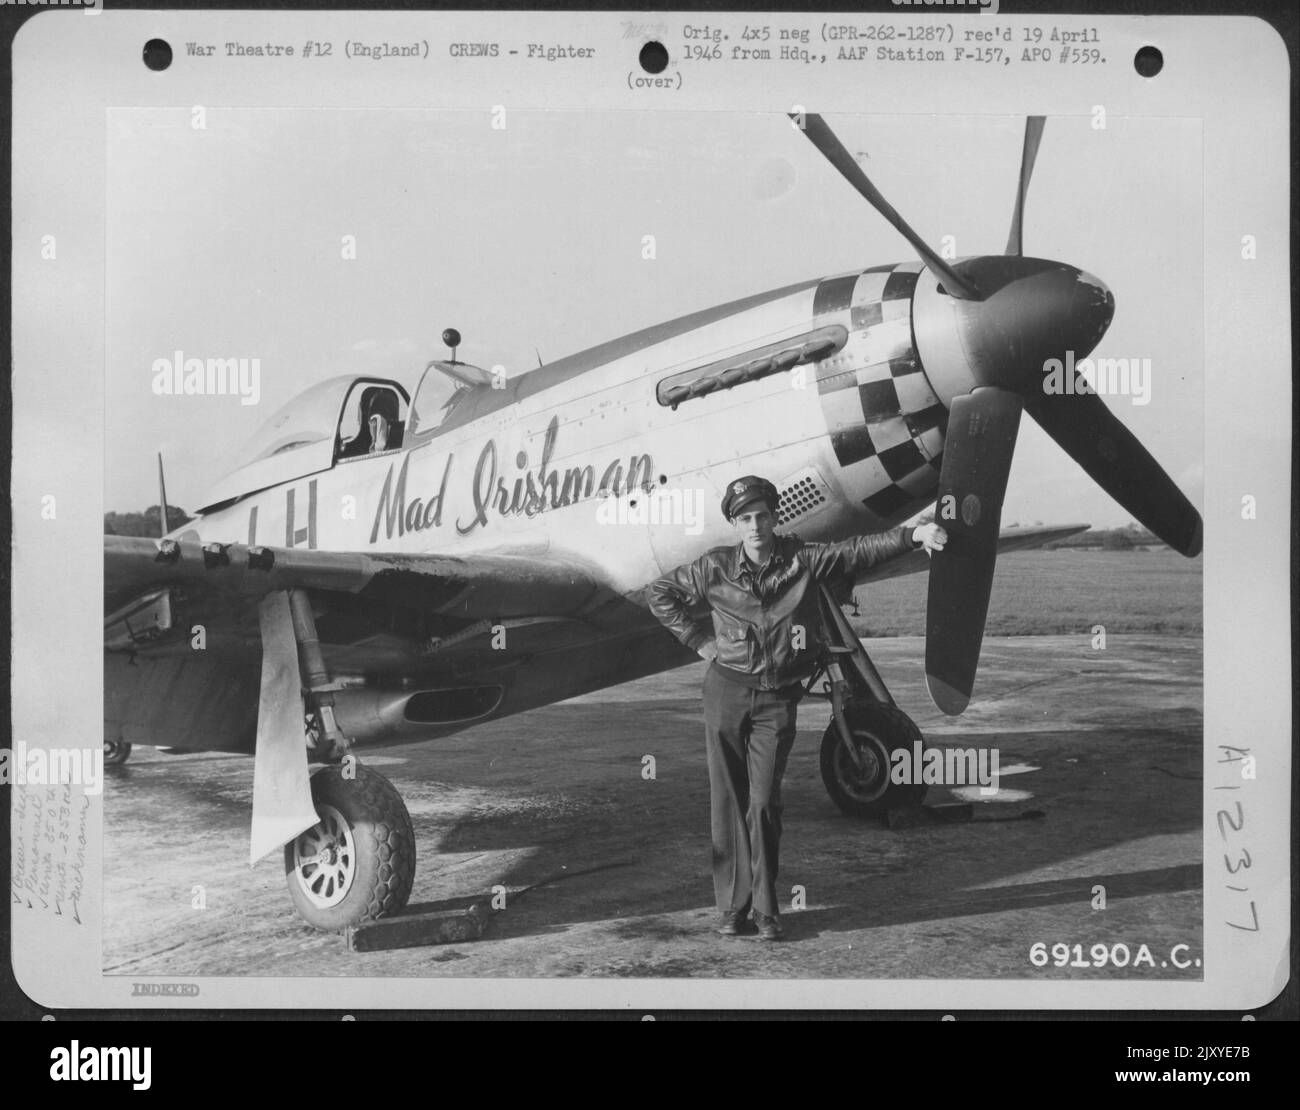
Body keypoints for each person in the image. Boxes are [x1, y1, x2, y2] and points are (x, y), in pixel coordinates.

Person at [647, 475, 947, 940]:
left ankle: (767, 910)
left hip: (776, 699)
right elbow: (660, 594)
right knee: (727, 800)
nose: (755, 525)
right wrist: (699, 640)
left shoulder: (802, 560)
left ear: (774, 517)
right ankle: (733, 908)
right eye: (745, 518)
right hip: (725, 691)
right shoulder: (715, 568)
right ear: (734, 522)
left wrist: (913, 534)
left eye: (763, 515)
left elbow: (855, 551)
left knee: (764, 802)